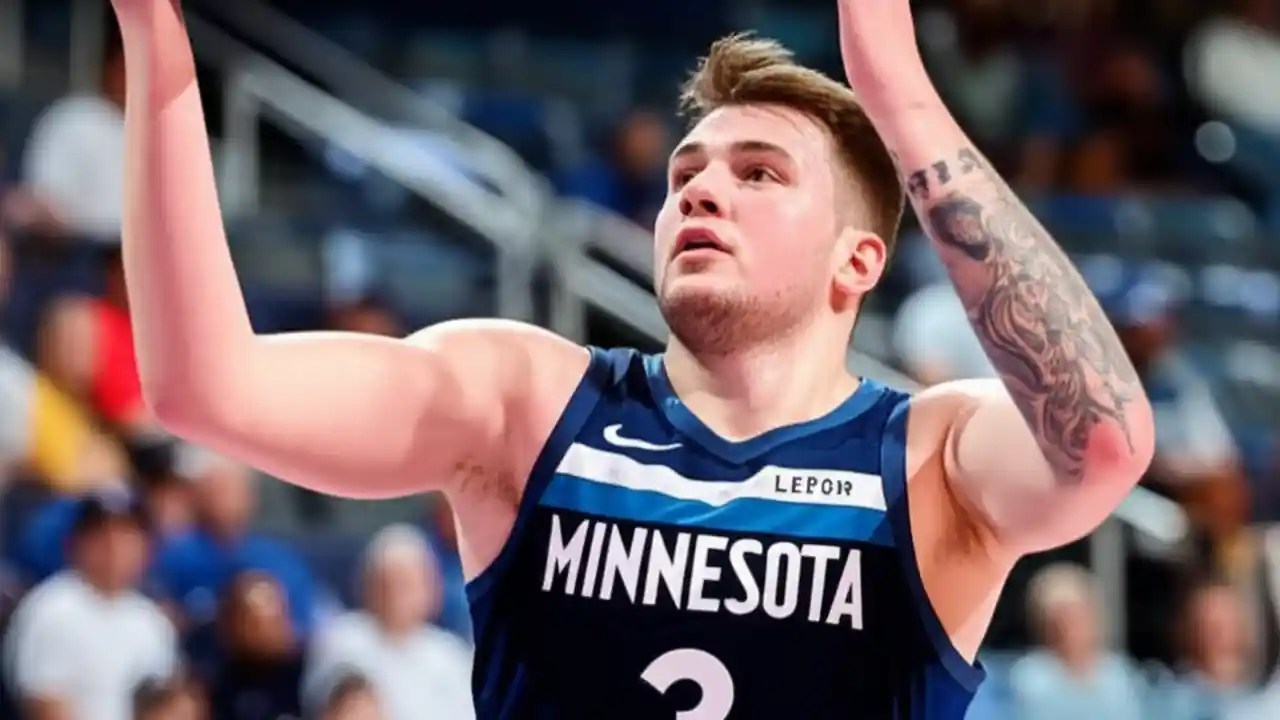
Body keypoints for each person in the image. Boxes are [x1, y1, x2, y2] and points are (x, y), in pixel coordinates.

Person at [109, 0, 1155, 717]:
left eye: (758, 173)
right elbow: (209, 386)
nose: (702, 191)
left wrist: (895, 88)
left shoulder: (926, 458)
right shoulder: (529, 403)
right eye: (685, 173)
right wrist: (156, 32)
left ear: (857, 260)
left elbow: (1103, 441)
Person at [2, 489, 178, 720]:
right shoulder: (52, 609)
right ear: (75, 543)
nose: (114, 547)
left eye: (126, 535)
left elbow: (165, 705)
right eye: (101, 535)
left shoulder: (152, 620)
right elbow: (44, 706)